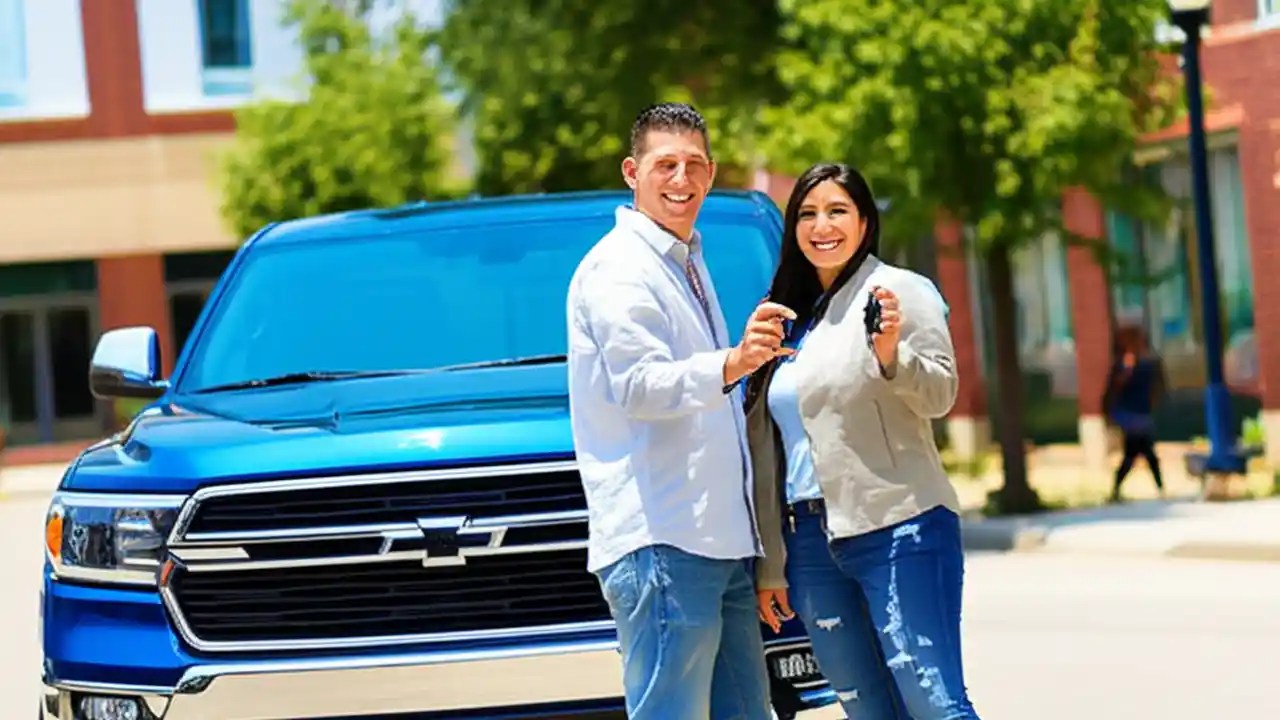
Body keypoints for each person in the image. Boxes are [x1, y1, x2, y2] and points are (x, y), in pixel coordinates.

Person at [566, 103, 795, 720]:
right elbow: (641, 388)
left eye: (695, 164)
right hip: (662, 542)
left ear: (713, 173)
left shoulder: (687, 261)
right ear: (631, 172)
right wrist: (735, 361)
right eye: (665, 164)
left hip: (719, 545)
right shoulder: (619, 269)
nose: (682, 179)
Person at [746, 162, 981, 719]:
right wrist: (773, 563)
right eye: (807, 213)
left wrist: (892, 354)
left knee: (933, 702)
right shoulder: (788, 317)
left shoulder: (899, 290)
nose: (821, 225)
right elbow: (771, 449)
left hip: (899, 526)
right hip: (808, 543)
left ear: (865, 221)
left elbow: (940, 393)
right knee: (867, 710)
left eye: (837, 211)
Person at [1103, 324, 1166, 501]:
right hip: (1129, 415)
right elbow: (1114, 388)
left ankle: (1118, 488)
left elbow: (1156, 386)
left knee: (1140, 453)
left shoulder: (1148, 363)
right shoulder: (1122, 364)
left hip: (1141, 412)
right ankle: (1157, 487)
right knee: (1139, 452)